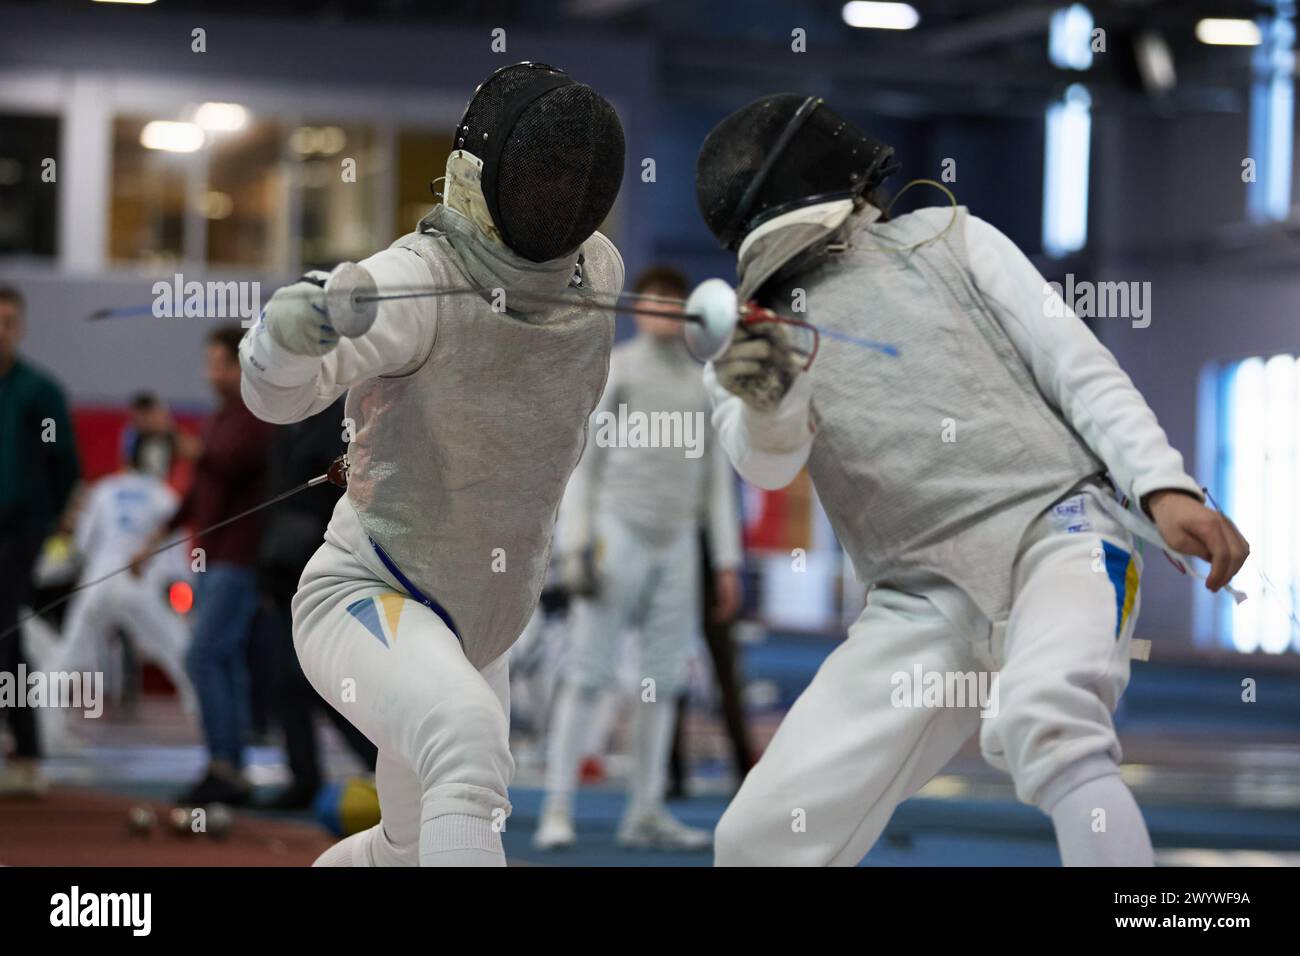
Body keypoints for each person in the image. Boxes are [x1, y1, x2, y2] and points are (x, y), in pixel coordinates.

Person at [696, 94, 1250, 866]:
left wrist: (1165, 486)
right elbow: (766, 461)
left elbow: (1077, 369)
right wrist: (769, 395)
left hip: (1061, 532)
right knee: (759, 836)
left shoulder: (949, 239)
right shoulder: (754, 339)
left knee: (1049, 719)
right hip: (918, 600)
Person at [240, 62, 625, 866]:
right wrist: (281, 340)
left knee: (406, 848)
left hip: (485, 624)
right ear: (489, 178)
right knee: (465, 740)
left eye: (572, 180)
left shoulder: (602, 272)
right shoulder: (417, 281)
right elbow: (281, 398)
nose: (560, 193)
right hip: (368, 595)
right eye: (543, 174)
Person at [535, 265, 742, 851]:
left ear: (687, 313)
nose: (660, 312)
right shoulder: (617, 371)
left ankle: (646, 810)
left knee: (664, 680)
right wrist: (576, 544)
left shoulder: (706, 384)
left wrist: (725, 562)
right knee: (588, 673)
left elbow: (716, 484)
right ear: (638, 309)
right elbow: (584, 463)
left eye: (671, 304)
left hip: (676, 543)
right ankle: (557, 806)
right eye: (651, 302)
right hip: (616, 534)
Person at [134, 325, 273, 806]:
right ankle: (231, 770)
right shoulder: (217, 419)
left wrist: (174, 434)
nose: (211, 372)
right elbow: (199, 486)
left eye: (220, 363)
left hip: (239, 558)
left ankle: (223, 765)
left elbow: (228, 464)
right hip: (211, 558)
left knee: (203, 655)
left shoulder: (259, 414)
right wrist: (157, 536)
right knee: (224, 660)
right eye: (210, 362)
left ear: (241, 366)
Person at [256, 396, 377, 810]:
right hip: (280, 571)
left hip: (327, 567)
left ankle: (380, 764)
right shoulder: (284, 419)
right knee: (285, 680)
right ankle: (303, 776)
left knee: (322, 681)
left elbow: (353, 493)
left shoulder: (341, 416)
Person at [46, 428, 197, 729]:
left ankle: (45, 731)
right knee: (183, 656)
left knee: (66, 658)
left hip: (97, 582)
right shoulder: (164, 495)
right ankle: (212, 730)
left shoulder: (104, 489)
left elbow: (83, 545)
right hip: (138, 586)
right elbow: (176, 560)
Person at [0, 284, 80, 797]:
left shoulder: (40, 391)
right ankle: (24, 748)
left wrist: (49, 523)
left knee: (5, 633)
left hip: (18, 533)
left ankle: (27, 752)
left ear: (20, 326)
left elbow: (64, 465)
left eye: (9, 320)